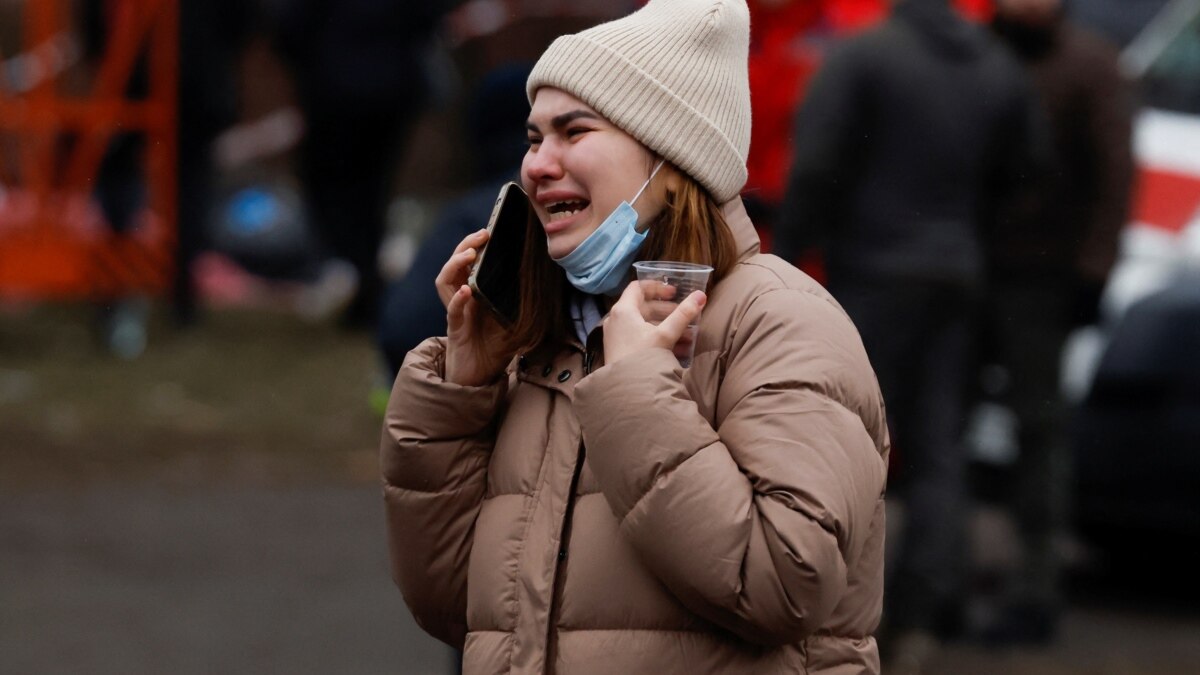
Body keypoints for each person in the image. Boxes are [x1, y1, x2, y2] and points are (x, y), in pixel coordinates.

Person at [380, 1, 891, 672]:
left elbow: (783, 587)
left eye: (573, 131)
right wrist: (459, 396)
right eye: (534, 139)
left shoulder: (782, 320)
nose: (536, 165)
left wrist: (637, 396)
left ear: (669, 154)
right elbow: (463, 608)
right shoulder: (542, 335)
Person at [772, 0, 1047, 665]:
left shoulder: (865, 56)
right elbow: (1031, 168)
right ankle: (923, 611)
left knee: (846, 438)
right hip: (956, 271)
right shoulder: (998, 67)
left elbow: (814, 166)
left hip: (871, 273)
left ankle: (832, 606)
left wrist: (784, 260)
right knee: (939, 440)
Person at [979, 0, 1134, 643]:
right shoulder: (979, 53)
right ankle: (932, 583)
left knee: (1040, 433)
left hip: (1043, 280)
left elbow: (1114, 175)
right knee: (939, 427)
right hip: (968, 270)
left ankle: (1035, 591)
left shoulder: (1092, 67)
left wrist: (1095, 273)